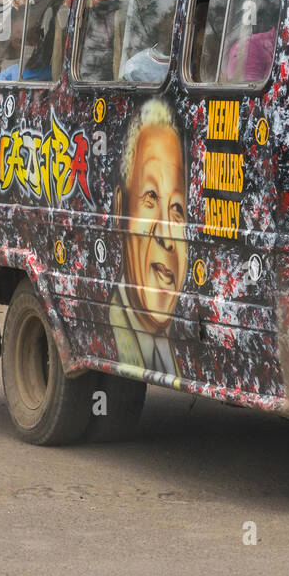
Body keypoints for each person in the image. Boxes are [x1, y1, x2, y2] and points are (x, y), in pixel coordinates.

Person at [108, 98, 187, 377]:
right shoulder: (110, 331)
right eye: (151, 197)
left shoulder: (171, 351)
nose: (167, 236)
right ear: (120, 209)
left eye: (177, 209)